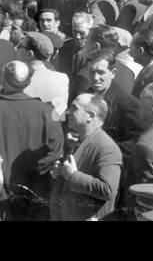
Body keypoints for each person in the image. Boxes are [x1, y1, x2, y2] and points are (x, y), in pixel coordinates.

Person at [0, 61, 61, 219]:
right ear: (28, 82)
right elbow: (56, 152)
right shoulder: (47, 111)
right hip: (36, 194)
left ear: (3, 78)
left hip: (2, 196)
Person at [49, 93, 122, 221]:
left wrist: (72, 176)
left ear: (90, 116)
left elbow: (108, 190)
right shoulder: (80, 140)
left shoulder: (107, 147)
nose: (67, 112)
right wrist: (61, 172)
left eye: (74, 108)